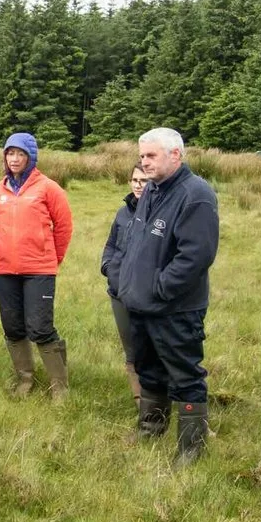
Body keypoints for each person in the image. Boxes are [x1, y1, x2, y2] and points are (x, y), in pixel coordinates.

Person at [115, 127, 220, 462]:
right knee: (148, 369)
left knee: (185, 374)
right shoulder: (151, 191)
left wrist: (160, 289)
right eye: (142, 156)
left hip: (175, 309)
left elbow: (195, 256)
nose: (144, 163)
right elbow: (135, 242)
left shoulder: (196, 195)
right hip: (140, 304)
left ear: (176, 154)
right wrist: (128, 283)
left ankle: (191, 448)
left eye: (151, 156)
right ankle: (151, 428)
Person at [0, 131, 72, 400]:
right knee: (12, 326)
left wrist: (50, 258)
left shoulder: (48, 188)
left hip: (39, 269)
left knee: (40, 327)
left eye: (20, 153)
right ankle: (25, 380)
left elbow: (64, 226)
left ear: (31, 157)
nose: (14, 159)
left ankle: (59, 386)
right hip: (4, 269)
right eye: (10, 153)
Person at [96, 166, 148, 396]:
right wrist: (108, 267)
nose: (137, 185)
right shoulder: (122, 213)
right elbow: (111, 245)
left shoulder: (159, 213)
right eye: (134, 180)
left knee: (154, 351)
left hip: (146, 294)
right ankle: (142, 404)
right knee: (131, 352)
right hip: (118, 292)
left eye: (144, 180)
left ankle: (161, 401)